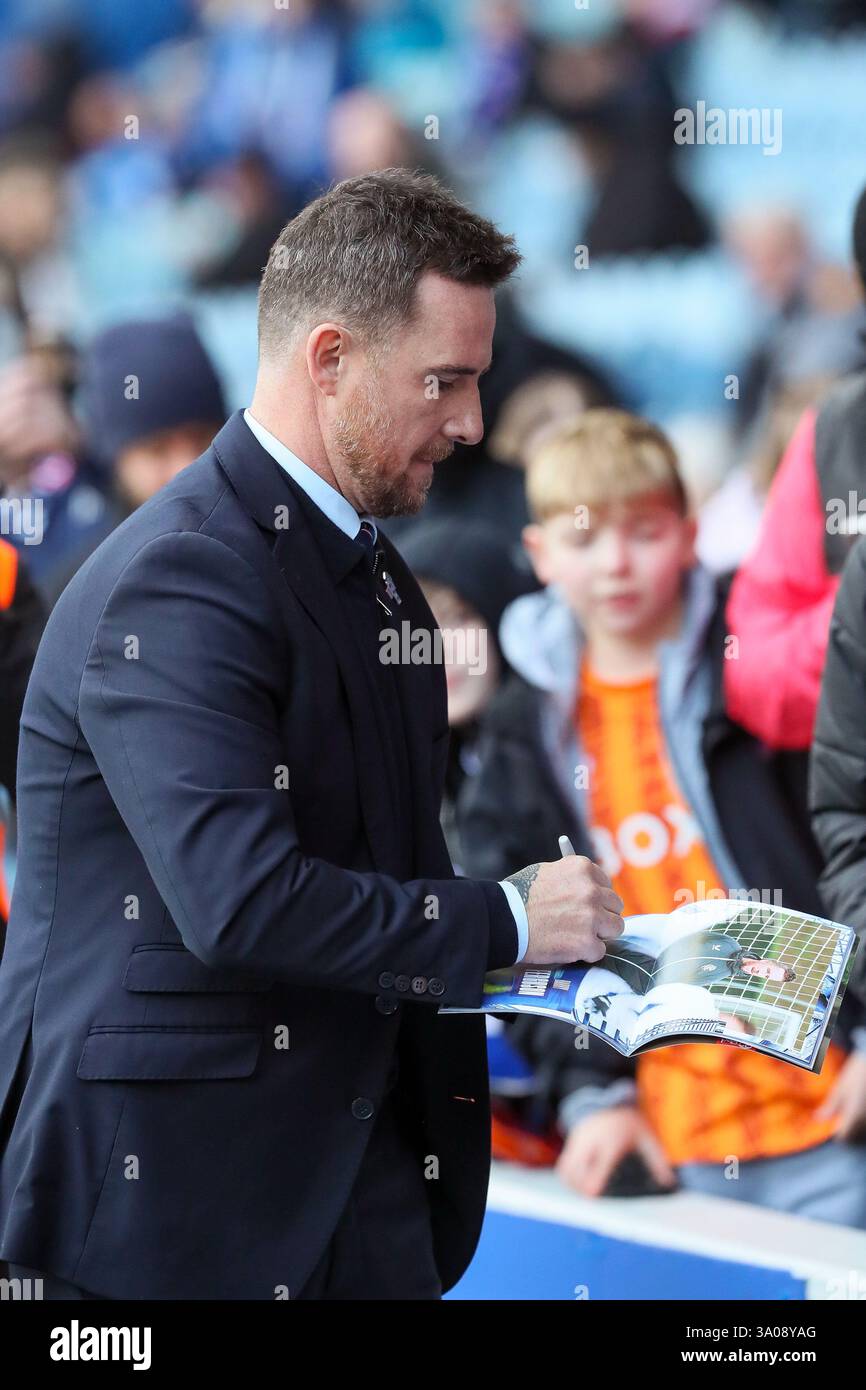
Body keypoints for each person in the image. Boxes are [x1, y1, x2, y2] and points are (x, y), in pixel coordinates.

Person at [0, 168, 624, 1301]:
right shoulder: (179, 575)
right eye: (444, 382)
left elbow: (379, 878)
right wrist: (506, 918)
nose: (471, 424)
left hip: (358, 1196)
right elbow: (241, 901)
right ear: (327, 358)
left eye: (478, 383)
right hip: (167, 1225)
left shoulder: (380, 576)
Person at [458, 408, 866, 1227]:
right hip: (675, 1146)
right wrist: (593, 1095)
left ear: (688, 536)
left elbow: (851, 834)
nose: (615, 563)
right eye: (583, 538)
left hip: (840, 1107)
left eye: (642, 531)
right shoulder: (520, 728)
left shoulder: (763, 673)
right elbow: (507, 933)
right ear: (540, 556)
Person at [724, 184, 866, 749]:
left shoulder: (822, 330)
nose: (762, 274)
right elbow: (757, 681)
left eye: (776, 256)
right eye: (752, 260)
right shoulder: (836, 430)